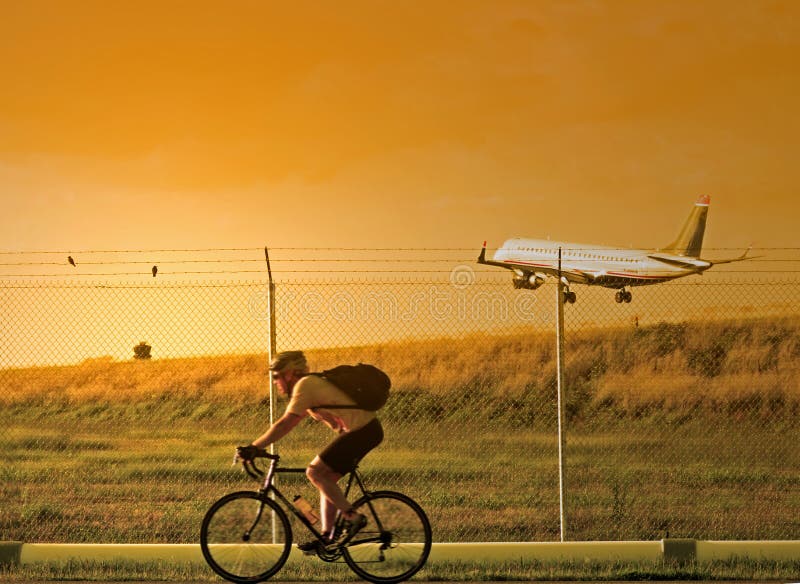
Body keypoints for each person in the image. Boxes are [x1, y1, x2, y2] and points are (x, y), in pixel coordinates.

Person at [236, 350, 384, 552]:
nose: (275, 382)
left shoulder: (305, 386)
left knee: (314, 472)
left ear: (291, 373)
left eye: (278, 376)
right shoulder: (310, 386)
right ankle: (328, 537)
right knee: (325, 478)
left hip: (363, 432)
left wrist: (254, 447)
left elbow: (285, 424)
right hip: (362, 431)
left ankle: (353, 517)